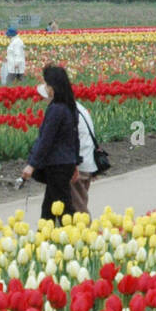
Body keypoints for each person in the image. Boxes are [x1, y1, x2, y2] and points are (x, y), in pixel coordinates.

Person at [21, 63, 80, 221]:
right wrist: (75, 162)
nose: (45, 88)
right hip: (65, 163)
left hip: (57, 165)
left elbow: (45, 140)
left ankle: (77, 240)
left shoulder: (56, 109)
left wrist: (31, 165)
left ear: (53, 87)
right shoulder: (70, 107)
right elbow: (74, 138)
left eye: (47, 84)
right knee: (49, 208)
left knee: (63, 209)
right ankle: (45, 240)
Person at [71, 89, 99, 217]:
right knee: (78, 206)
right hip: (88, 163)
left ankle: (88, 235)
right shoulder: (81, 109)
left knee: (78, 211)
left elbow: (71, 141)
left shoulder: (69, 112)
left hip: (77, 167)